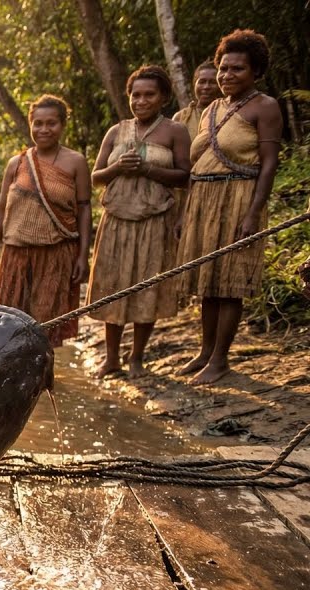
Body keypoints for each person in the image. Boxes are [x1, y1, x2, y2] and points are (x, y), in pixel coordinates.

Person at [175, 29, 283, 385]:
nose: (226, 76)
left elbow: (268, 164)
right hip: (204, 200)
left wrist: (253, 212)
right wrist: (187, 211)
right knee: (208, 282)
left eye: (236, 69)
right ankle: (205, 353)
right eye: (223, 68)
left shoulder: (265, 106)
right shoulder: (212, 108)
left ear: (255, 72)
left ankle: (221, 360)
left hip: (239, 198)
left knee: (230, 284)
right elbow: (197, 163)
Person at [87, 66, 191, 377]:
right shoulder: (116, 131)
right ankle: (111, 358)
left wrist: (148, 170)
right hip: (117, 218)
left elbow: (186, 176)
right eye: (136, 95)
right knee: (113, 286)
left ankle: (137, 358)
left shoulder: (175, 131)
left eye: (149, 95)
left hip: (154, 218)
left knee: (147, 285)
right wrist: (118, 167)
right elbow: (95, 177)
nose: (141, 100)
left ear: (163, 98)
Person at [0, 95, 93, 347]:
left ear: (62, 125)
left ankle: (44, 380)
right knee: (8, 326)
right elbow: (0, 211)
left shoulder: (75, 162)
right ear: (30, 124)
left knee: (45, 327)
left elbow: (84, 210)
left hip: (55, 256)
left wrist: (83, 256)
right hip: (16, 256)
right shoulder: (16, 163)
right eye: (37, 123)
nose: (44, 129)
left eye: (51, 123)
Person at [172, 61, 222, 141]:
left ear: (220, 85)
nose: (206, 87)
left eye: (212, 82)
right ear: (194, 84)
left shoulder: (227, 114)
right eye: (201, 82)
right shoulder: (181, 117)